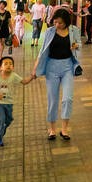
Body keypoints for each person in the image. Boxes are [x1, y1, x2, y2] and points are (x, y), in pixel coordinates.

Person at [35, 7, 83, 141]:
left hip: (68, 66)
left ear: (66, 22)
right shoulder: (50, 31)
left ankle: (64, 129)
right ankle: (52, 129)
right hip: (52, 67)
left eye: (60, 23)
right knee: (53, 99)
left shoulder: (74, 30)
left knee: (67, 98)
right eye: (55, 22)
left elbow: (79, 44)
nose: (57, 25)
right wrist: (35, 68)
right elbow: (42, 51)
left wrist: (76, 46)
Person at [0, 54, 33, 147]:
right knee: (1, 120)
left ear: (13, 67)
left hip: (9, 103)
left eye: (10, 64)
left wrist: (32, 77)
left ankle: (0, 131)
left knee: (8, 120)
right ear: (0, 67)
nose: (9, 65)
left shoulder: (14, 76)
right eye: (6, 64)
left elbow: (24, 82)